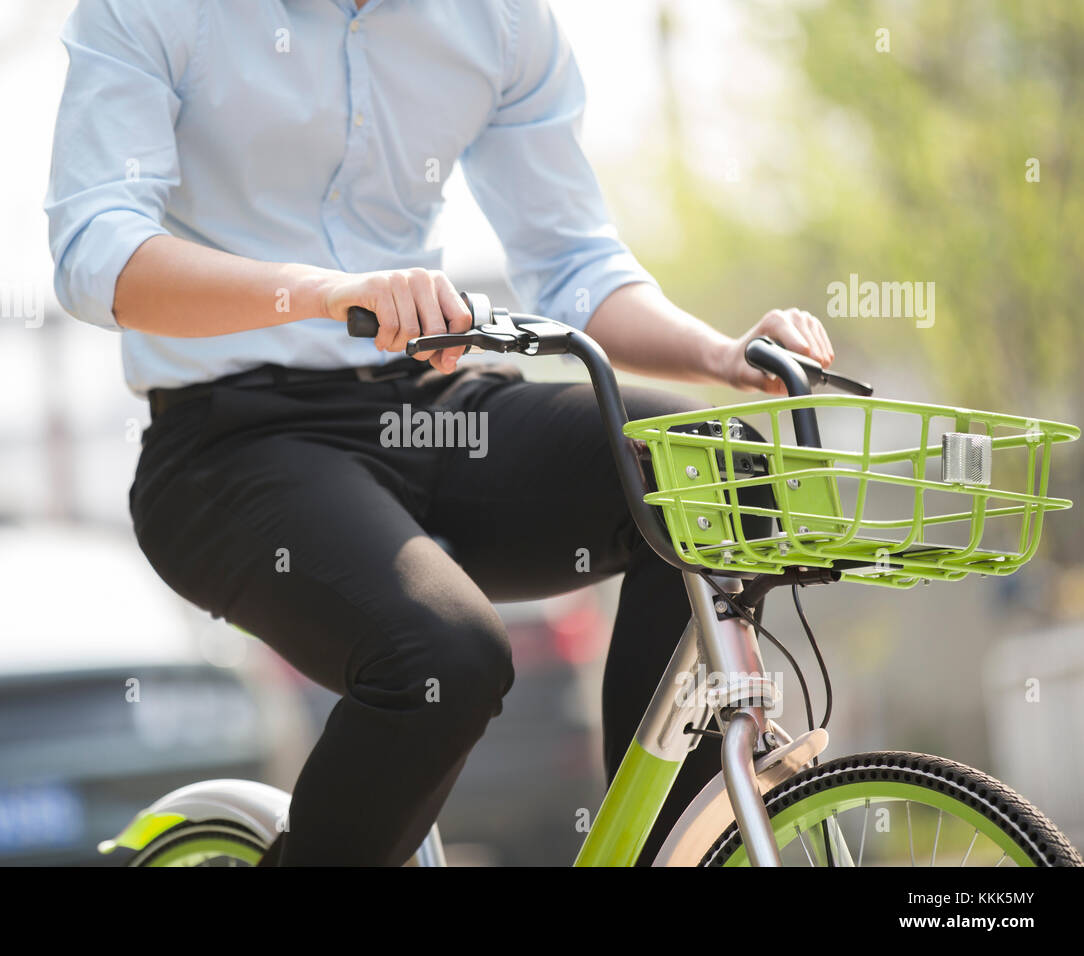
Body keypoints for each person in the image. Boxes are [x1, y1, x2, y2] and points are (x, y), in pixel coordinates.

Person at [44, 0, 835, 866]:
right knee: (446, 658)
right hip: (229, 445)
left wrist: (721, 355)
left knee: (718, 473)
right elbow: (97, 251)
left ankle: (670, 852)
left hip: (429, 403)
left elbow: (573, 264)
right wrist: (315, 292)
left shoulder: (495, 21)